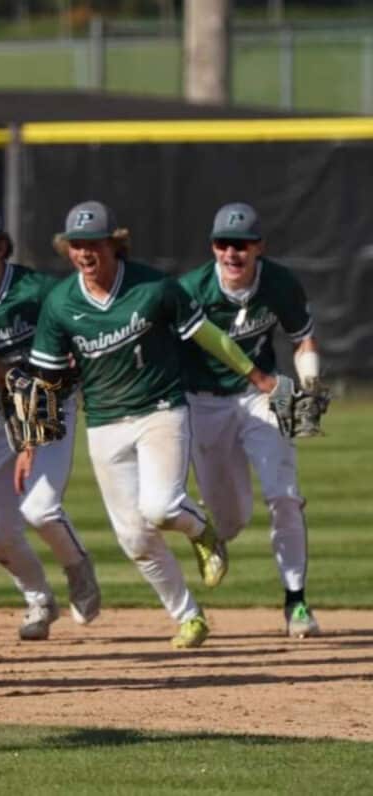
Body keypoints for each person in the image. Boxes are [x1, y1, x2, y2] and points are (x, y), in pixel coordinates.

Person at [26, 200, 288, 649]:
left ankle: (203, 531)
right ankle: (188, 616)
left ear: (115, 244)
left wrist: (257, 376)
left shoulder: (154, 287)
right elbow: (46, 378)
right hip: (105, 422)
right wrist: (32, 444)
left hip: (160, 409)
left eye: (95, 244)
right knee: (133, 536)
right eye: (77, 246)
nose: (86, 254)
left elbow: (210, 337)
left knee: (162, 507)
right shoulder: (61, 303)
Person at [0, 202, 100, 639]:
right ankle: (38, 600)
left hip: (51, 404)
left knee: (41, 508)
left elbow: (78, 334)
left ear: (1, 247)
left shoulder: (39, 291)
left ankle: (76, 566)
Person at [180, 203, 322, 638]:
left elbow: (303, 339)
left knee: (285, 495)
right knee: (231, 520)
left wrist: (310, 379)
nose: (232, 253)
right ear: (213, 248)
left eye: (241, 244)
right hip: (204, 401)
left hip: (266, 392)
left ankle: (296, 602)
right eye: (223, 244)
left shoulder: (278, 283)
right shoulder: (192, 289)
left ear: (259, 246)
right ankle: (210, 530)